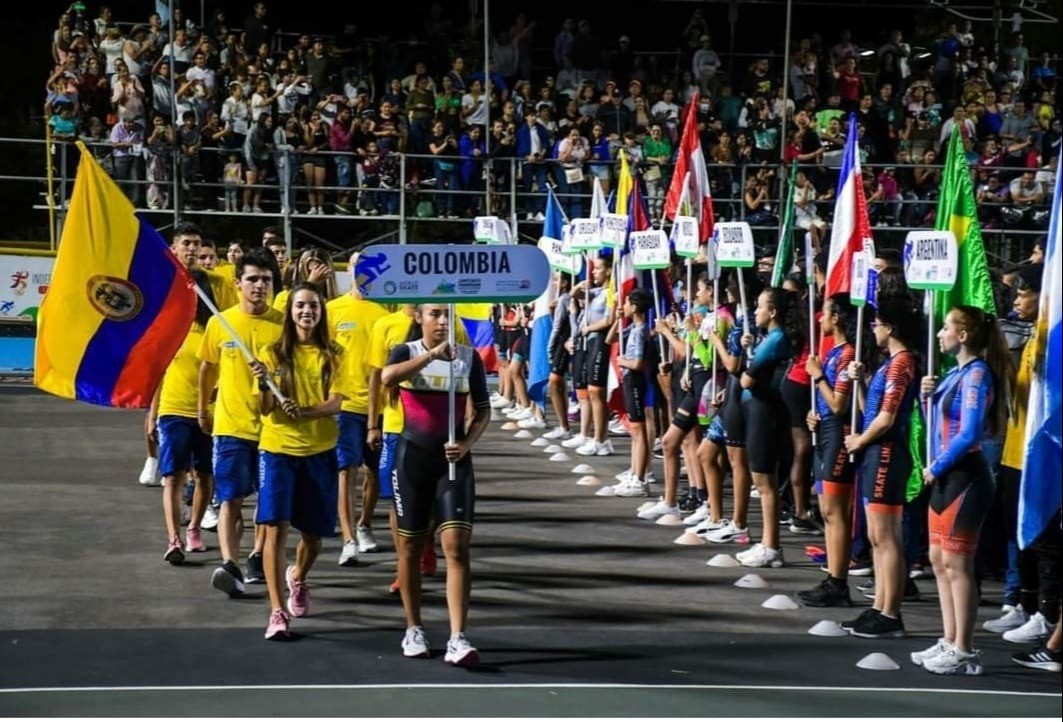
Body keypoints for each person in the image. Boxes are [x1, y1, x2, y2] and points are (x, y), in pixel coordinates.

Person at [382, 305, 491, 666]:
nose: (443, 322)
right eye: (435, 315)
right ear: (419, 318)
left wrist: (466, 444)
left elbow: (483, 408)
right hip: (412, 458)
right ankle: (414, 627)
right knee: (410, 548)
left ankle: (458, 637)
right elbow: (386, 378)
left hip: (453, 462)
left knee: (456, 547)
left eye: (448, 316)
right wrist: (431, 355)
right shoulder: (407, 351)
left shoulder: (468, 358)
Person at [911, 305, 1012, 674]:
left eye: (945, 328)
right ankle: (949, 638)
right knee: (939, 561)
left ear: (964, 335)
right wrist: (927, 399)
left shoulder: (978, 375)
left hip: (963, 476)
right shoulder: (955, 373)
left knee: (957, 564)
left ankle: (965, 648)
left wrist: (936, 467)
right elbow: (936, 427)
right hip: (942, 475)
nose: (939, 334)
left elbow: (969, 433)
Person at [254, 282, 351, 640]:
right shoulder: (271, 354)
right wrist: (265, 386)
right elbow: (263, 408)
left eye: (312, 305)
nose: (306, 311)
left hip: (320, 451)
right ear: (290, 312)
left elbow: (337, 402)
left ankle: (298, 578)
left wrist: (307, 412)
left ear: (321, 311)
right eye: (299, 306)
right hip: (277, 449)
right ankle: (277, 611)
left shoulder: (334, 354)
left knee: (313, 536)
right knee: (275, 529)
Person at [198, 248, 284, 597]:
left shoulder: (283, 324)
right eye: (252, 279)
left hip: (274, 429)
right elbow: (207, 367)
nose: (259, 285)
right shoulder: (221, 323)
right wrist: (203, 406)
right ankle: (229, 563)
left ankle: (256, 555)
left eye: (266, 280)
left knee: (268, 502)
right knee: (230, 497)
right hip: (231, 427)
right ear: (237, 284)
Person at [843, 295, 920, 638]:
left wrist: (859, 441)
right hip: (875, 451)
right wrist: (859, 382)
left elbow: (887, 418)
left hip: (887, 451)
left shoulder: (903, 363)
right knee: (876, 535)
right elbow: (871, 411)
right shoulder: (889, 364)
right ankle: (879, 607)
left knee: (887, 537)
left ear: (890, 327)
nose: (872, 330)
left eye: (875, 325)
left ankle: (891, 613)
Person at [149, 263, 218, 564]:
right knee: (173, 478)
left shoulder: (216, 328)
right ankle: (173, 539)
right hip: (173, 411)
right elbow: (158, 375)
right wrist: (152, 415)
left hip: (209, 416)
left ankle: (193, 529)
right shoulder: (169, 329)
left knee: (204, 476)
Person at [735, 288, 803, 569]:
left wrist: (749, 369)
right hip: (760, 410)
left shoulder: (776, 340)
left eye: (760, 307)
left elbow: (746, 381)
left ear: (773, 312)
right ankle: (768, 542)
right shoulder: (770, 338)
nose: (755, 311)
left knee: (765, 483)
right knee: (764, 482)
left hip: (765, 411)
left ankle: (771, 545)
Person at [328, 251, 388, 565]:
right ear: (348, 270)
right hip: (346, 405)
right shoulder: (333, 309)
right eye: (356, 265)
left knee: (374, 473)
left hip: (379, 407)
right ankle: (348, 538)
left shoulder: (384, 312)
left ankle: (364, 524)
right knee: (345, 470)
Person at [799, 295, 857, 606]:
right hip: (823, 432)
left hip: (838, 435)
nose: (819, 318)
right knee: (826, 511)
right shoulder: (833, 352)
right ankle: (832, 577)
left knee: (836, 512)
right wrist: (814, 413)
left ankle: (839, 581)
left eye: (825, 314)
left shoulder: (847, 355)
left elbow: (839, 404)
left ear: (836, 319)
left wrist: (818, 376)